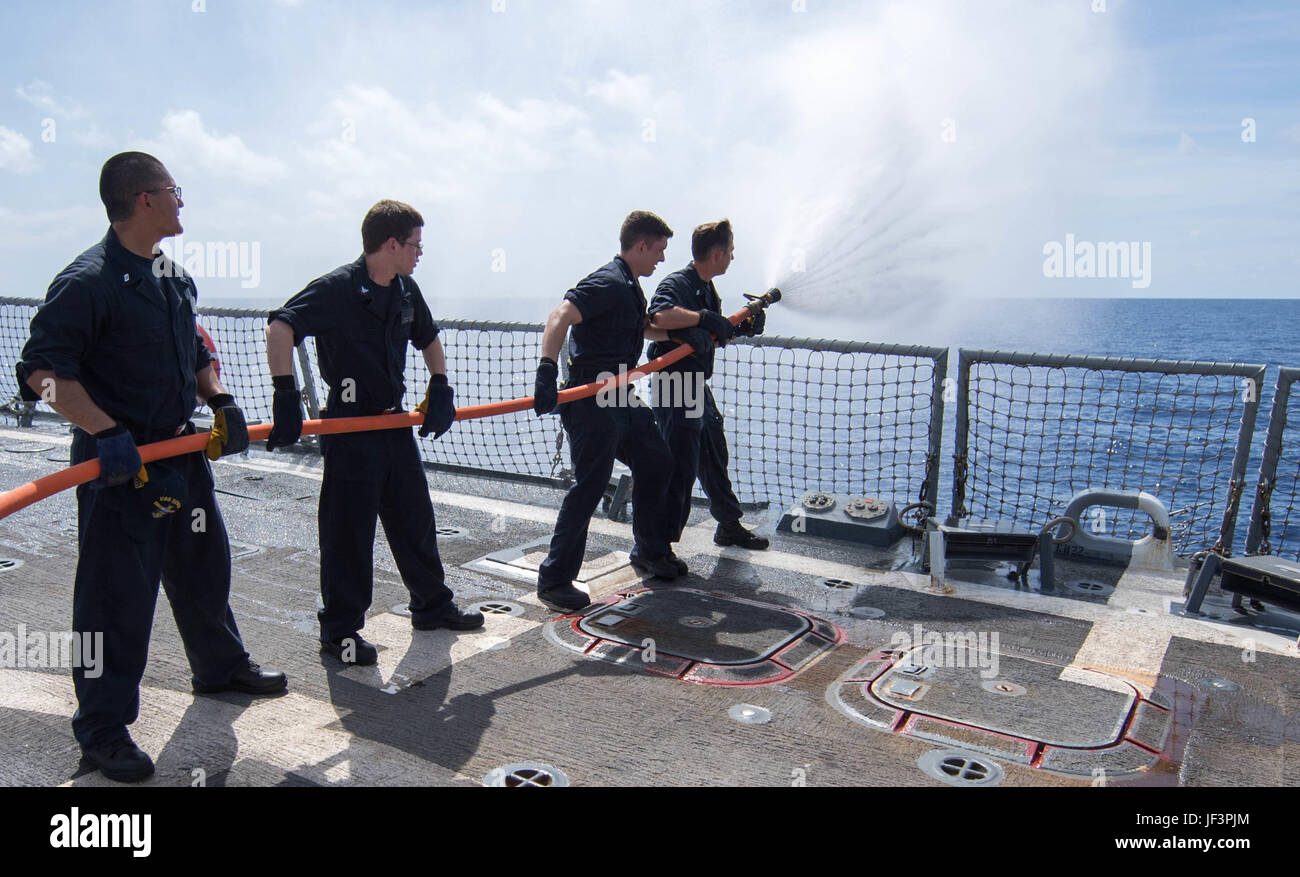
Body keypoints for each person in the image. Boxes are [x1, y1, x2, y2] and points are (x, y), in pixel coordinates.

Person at [15, 151, 286, 783]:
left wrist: (219, 399)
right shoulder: (87, 281)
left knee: (203, 564)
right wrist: (103, 431)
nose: (182, 202)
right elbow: (39, 374)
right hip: (120, 466)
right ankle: (103, 730)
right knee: (115, 598)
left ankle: (219, 668)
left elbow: (193, 348)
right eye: (174, 191)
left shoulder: (171, 275)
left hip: (179, 453)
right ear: (145, 200)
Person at [265, 200, 483, 666]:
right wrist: (285, 392)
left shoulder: (406, 290)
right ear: (390, 244)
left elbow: (428, 337)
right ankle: (340, 633)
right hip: (349, 426)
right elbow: (281, 327)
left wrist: (440, 385)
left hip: (392, 422)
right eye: (415, 245)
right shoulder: (337, 289)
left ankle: (431, 606)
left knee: (414, 519)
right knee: (349, 532)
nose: (420, 253)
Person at [531, 211, 684, 612]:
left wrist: (689, 333)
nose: (662, 260)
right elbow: (560, 316)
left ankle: (649, 550)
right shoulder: (609, 282)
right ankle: (554, 581)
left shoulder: (630, 287)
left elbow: (644, 328)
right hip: (590, 394)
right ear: (640, 245)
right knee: (591, 484)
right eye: (659, 250)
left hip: (619, 391)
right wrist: (547, 369)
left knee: (657, 459)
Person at [646, 219, 770, 551]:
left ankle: (728, 524)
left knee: (714, 450)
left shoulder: (706, 288)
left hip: (694, 382)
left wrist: (739, 329)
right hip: (674, 384)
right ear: (716, 254)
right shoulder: (679, 283)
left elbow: (705, 339)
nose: (732, 256)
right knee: (680, 465)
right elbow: (658, 318)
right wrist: (703, 318)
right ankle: (657, 547)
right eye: (730, 251)